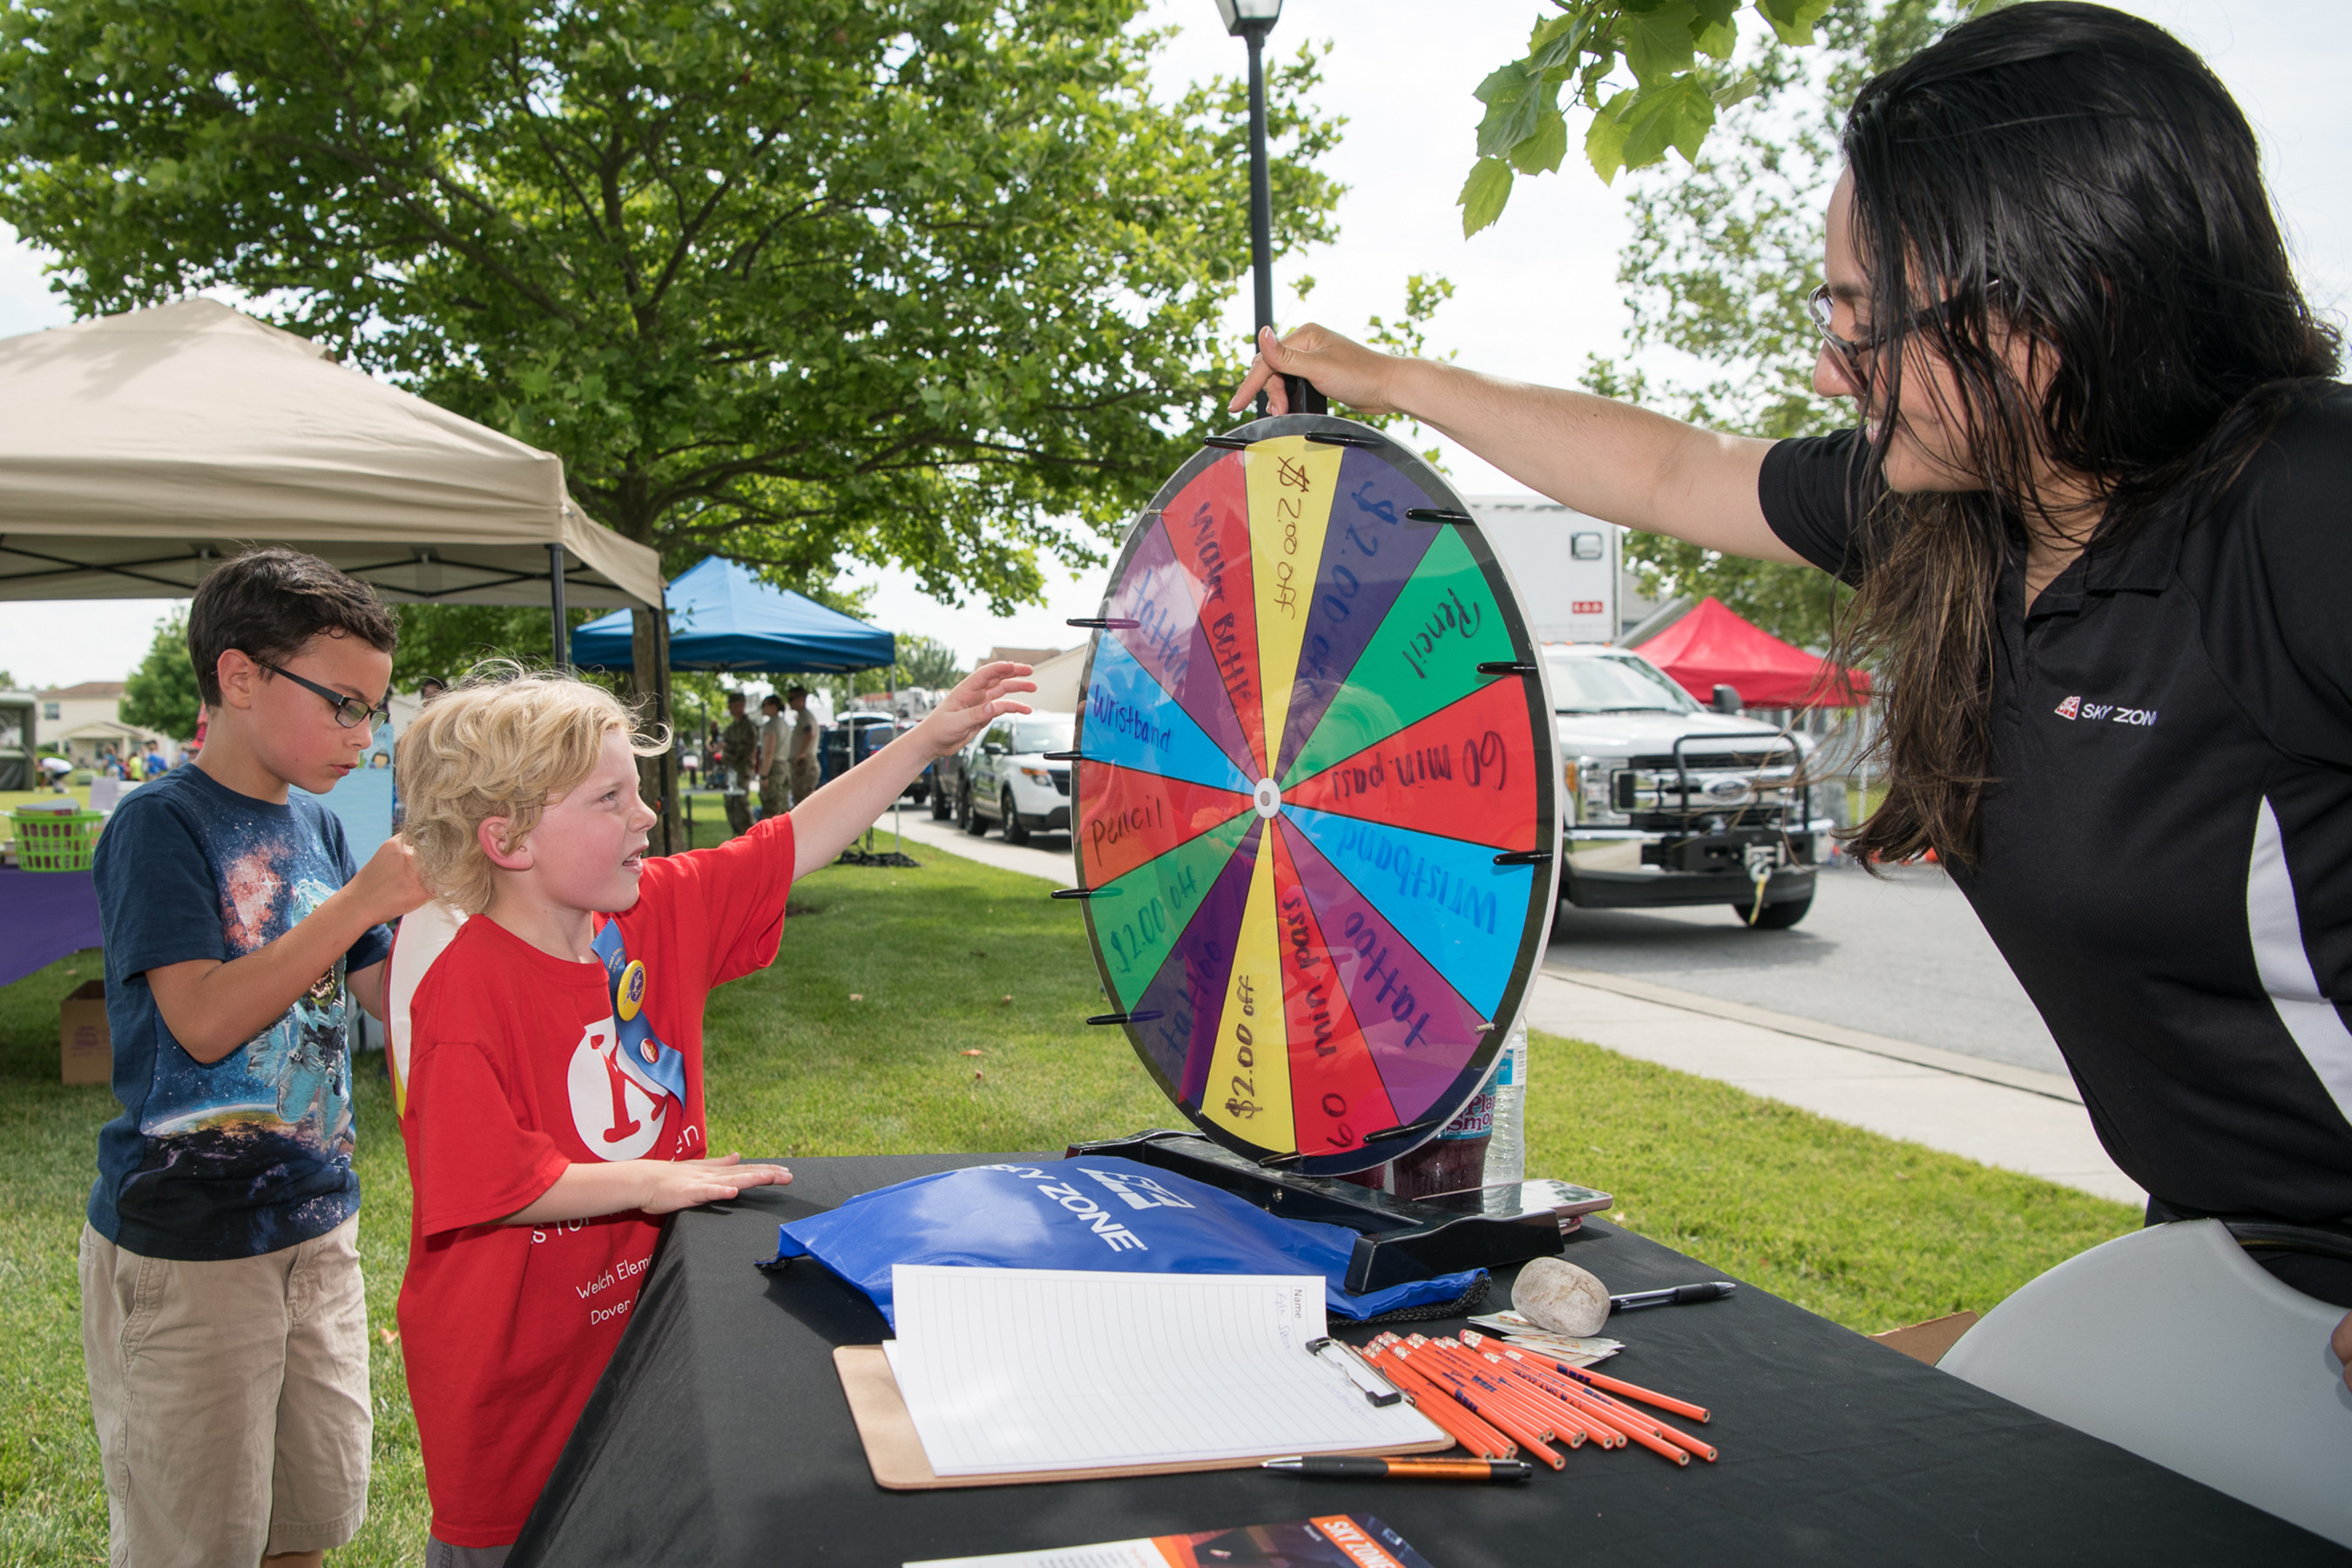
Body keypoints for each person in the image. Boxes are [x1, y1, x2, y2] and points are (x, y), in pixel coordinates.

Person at [1233, 1, 2352, 1386]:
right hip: (2219, 1269)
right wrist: (1384, 380)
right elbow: (1669, 470)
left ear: (2065, 313)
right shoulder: (1960, 509)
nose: (1831, 368)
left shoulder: (2304, 503)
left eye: (1869, 326)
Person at [390, 656, 1035, 1561]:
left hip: (638, 1349)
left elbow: (793, 838)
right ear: (510, 841)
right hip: (513, 1395)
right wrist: (655, 1180)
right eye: (609, 799)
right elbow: (492, 1180)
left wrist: (928, 737)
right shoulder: (464, 994)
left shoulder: (648, 913)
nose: (646, 813)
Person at [80, 546, 428, 1567]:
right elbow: (201, 1019)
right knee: (198, 1541)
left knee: (304, 1528)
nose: (364, 739)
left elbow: (381, 989)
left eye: (376, 712)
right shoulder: (160, 826)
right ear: (239, 678)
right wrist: (365, 902)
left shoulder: (317, 823)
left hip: (317, 1229)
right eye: (343, 705)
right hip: (193, 1251)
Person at [718, 690, 755, 839]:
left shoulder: (748, 727)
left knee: (742, 805)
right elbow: (726, 744)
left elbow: (745, 750)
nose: (731, 709)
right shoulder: (731, 728)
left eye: (734, 705)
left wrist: (727, 751)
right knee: (730, 804)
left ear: (742, 705)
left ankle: (749, 836)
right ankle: (737, 835)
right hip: (731, 770)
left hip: (742, 770)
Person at [755, 692, 789, 821]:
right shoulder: (784, 724)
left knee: (771, 811)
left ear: (774, 706)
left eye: (765, 705)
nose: (762, 708)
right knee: (782, 809)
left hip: (774, 768)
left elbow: (769, 751)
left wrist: (764, 775)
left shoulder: (771, 725)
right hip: (784, 767)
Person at [785, 684, 821, 809]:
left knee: (803, 804)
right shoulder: (803, 715)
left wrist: (800, 754)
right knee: (799, 801)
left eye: (791, 699)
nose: (789, 703)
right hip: (805, 762)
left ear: (801, 699)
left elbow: (809, 734)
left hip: (805, 764)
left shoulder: (805, 715)